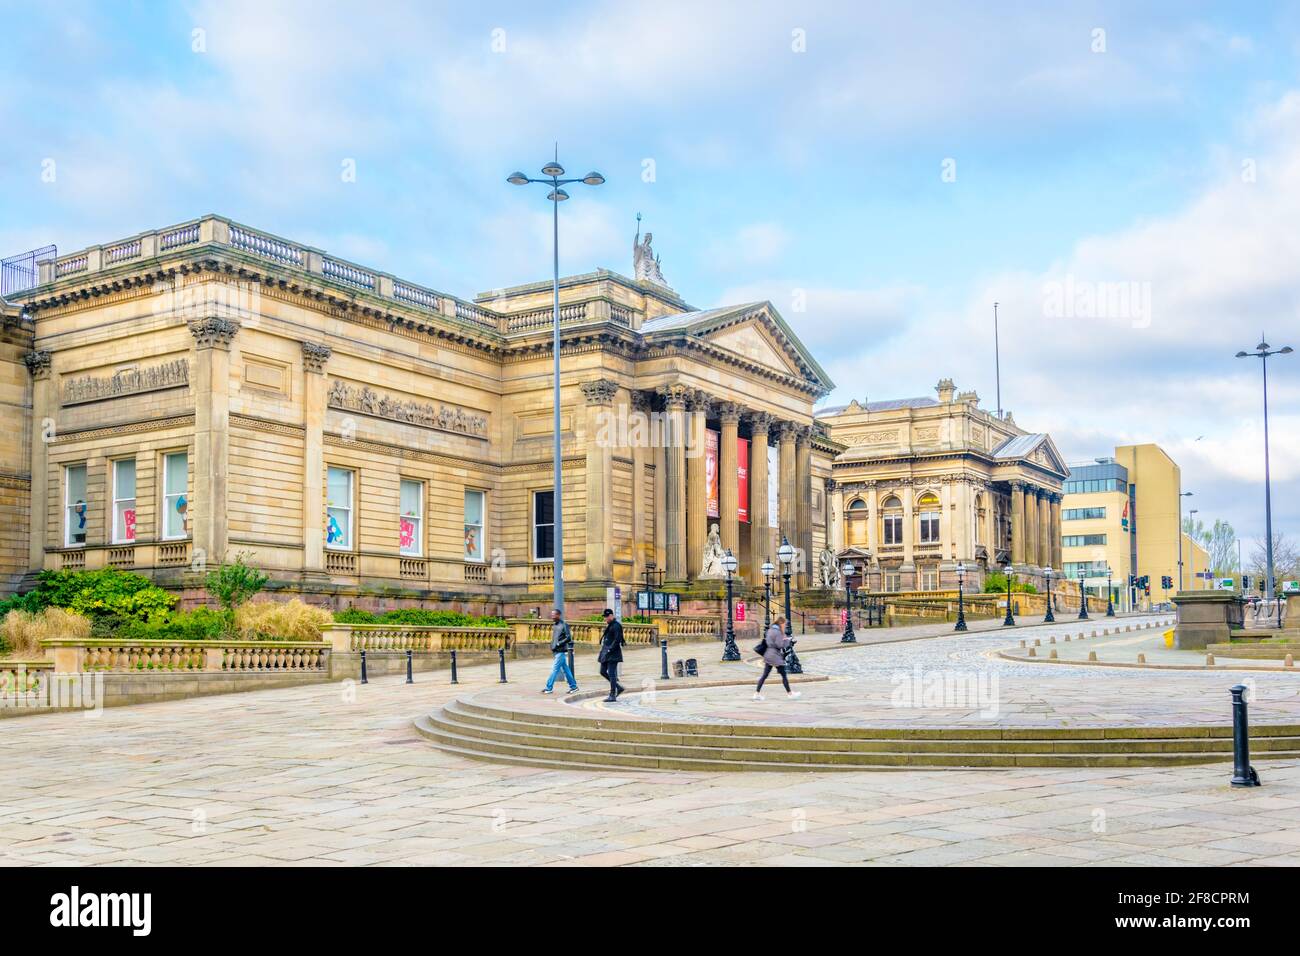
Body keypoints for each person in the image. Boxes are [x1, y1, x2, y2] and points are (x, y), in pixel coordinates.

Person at [754, 615, 800, 701]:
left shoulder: (770, 630)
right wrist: (787, 640)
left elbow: (769, 641)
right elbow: (780, 645)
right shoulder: (778, 632)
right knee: (784, 675)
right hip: (775, 656)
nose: (785, 626)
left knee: (764, 675)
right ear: (781, 623)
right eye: (784, 624)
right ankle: (790, 694)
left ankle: (756, 694)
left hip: (768, 654)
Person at [540, 608, 578, 695]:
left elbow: (568, 638)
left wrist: (558, 644)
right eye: (552, 615)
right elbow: (555, 638)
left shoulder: (564, 625)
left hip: (560, 651)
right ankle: (574, 686)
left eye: (554, 615)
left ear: (558, 615)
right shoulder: (555, 626)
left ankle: (549, 687)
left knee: (554, 669)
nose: (552, 616)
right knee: (566, 670)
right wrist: (552, 645)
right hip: (556, 651)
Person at [597, 608, 625, 702]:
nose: (606, 619)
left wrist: (610, 649)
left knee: (612, 673)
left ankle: (612, 694)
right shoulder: (610, 625)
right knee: (602, 671)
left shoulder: (616, 626)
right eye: (605, 617)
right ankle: (618, 687)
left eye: (607, 617)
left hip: (613, 653)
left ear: (611, 616)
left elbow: (617, 640)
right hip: (606, 652)